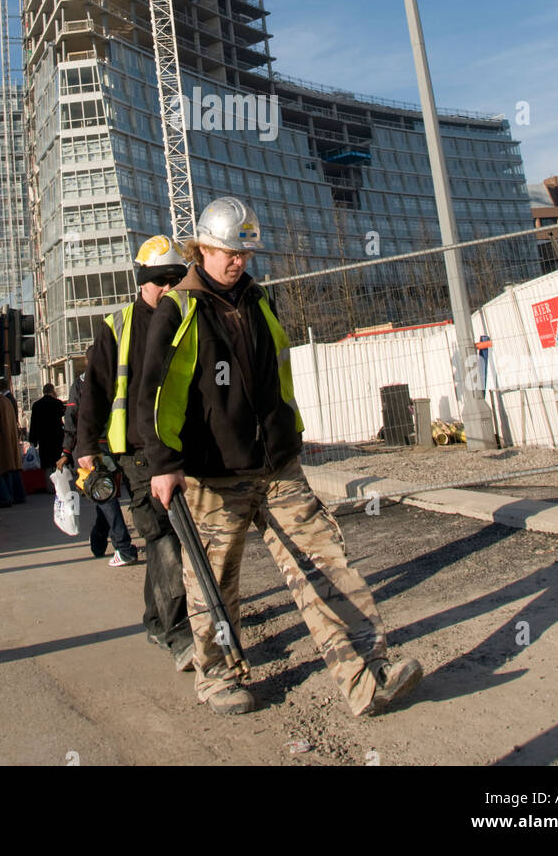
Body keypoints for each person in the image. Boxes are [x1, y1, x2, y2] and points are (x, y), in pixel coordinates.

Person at [137, 197, 424, 718]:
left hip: (277, 466)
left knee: (326, 562)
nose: (238, 261)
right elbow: (155, 395)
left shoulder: (257, 300)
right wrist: (162, 464)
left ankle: (368, 674)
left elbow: (278, 376)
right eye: (228, 252)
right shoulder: (178, 308)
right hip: (213, 476)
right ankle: (220, 677)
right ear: (202, 248)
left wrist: (289, 433)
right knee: (214, 583)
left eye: (245, 253)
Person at [68, 236, 195, 673]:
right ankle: (180, 633)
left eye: (175, 279)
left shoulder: (188, 317)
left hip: (183, 449)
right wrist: (85, 446)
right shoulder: (118, 325)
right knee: (164, 539)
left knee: (171, 539)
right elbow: (96, 391)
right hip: (139, 454)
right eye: (159, 280)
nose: (167, 287)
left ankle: (156, 620)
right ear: (141, 281)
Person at [58, 349, 137, 566]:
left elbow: (71, 420)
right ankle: (99, 540)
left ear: (85, 361)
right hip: (118, 445)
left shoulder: (81, 383)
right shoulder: (119, 379)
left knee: (104, 498)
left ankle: (123, 546)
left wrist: (66, 452)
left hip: (92, 448)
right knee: (106, 497)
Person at [0, 377, 26, 508]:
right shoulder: (7, 401)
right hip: (9, 441)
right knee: (7, 471)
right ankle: (9, 497)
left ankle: (3, 498)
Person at [29, 383, 65, 478]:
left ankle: (49, 485)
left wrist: (33, 440)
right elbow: (63, 414)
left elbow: (34, 424)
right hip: (57, 438)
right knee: (57, 461)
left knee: (46, 464)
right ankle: (60, 484)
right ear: (52, 391)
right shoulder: (58, 403)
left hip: (44, 439)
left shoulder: (36, 405)